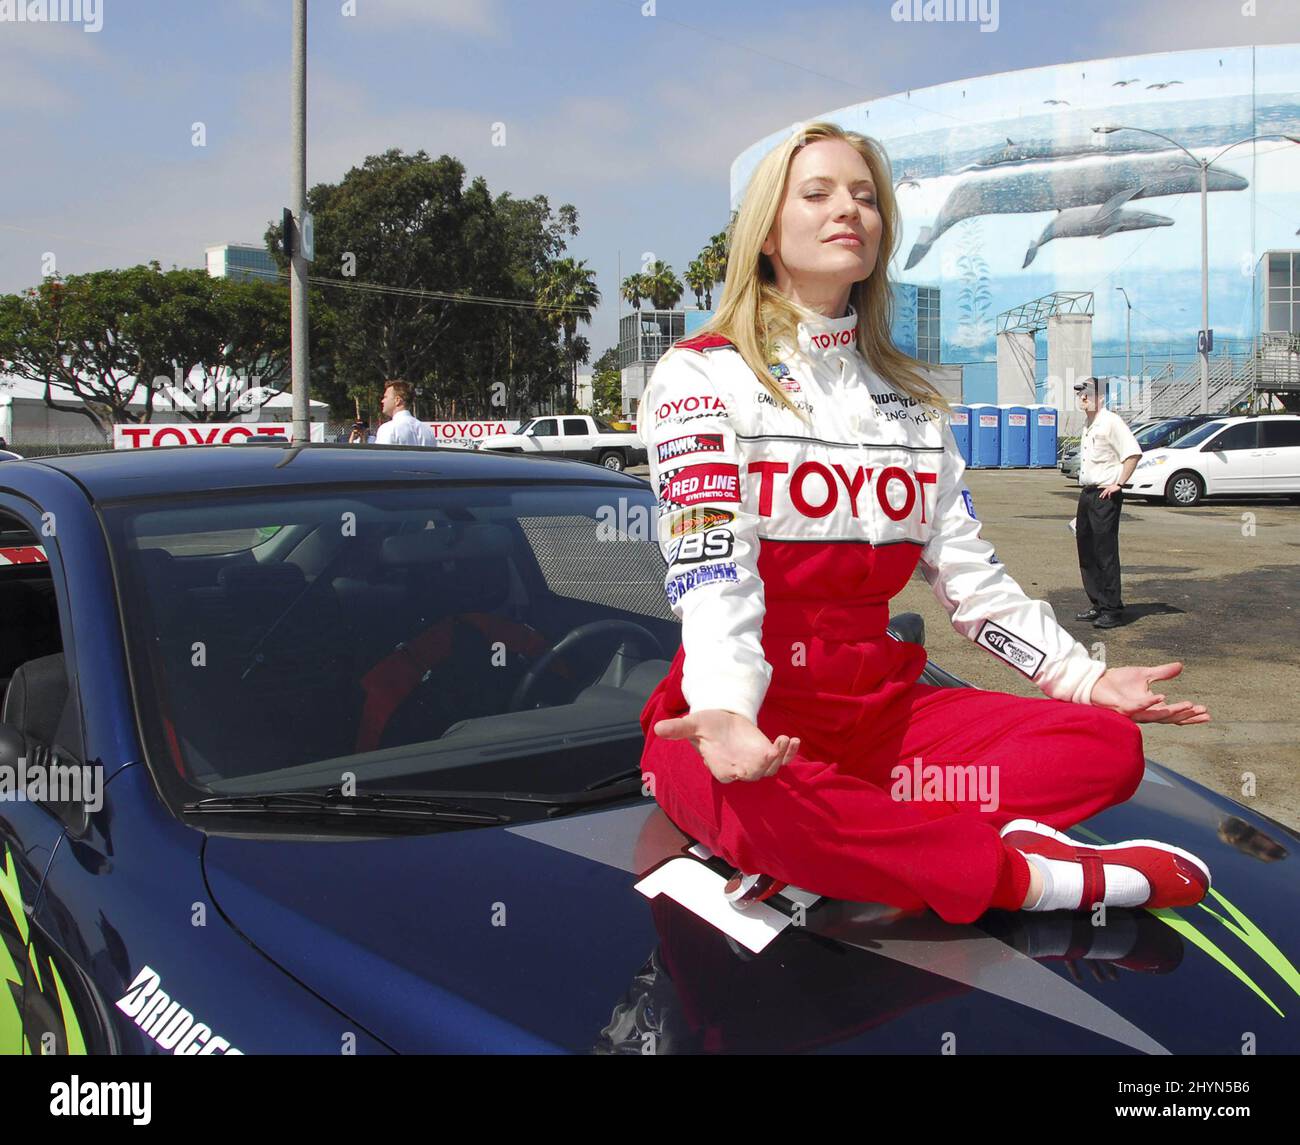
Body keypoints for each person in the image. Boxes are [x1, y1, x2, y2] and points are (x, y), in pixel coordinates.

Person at [637, 121, 1212, 924]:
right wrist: (730, 709)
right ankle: (1030, 877)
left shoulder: (912, 404)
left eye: (867, 197)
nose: (851, 210)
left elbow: (971, 582)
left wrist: (1083, 677)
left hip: (880, 721)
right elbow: (712, 568)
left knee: (1107, 746)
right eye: (820, 193)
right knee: (758, 799)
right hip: (739, 718)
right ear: (767, 231)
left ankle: (892, 837)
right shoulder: (699, 373)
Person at [1073, 376, 1142, 629]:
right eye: (1080, 393)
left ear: (1101, 396)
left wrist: (1119, 484)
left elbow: (1132, 453)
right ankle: (1098, 603)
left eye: (1088, 393)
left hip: (1105, 494)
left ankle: (1112, 609)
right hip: (1088, 493)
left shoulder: (1111, 422)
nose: (1083, 397)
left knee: (1105, 552)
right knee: (1087, 550)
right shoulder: (1089, 423)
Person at [374, 380, 436, 446]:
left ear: (397, 400)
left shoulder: (388, 429)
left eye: (385, 397)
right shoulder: (428, 431)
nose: (382, 401)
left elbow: (382, 456)